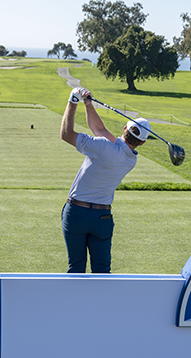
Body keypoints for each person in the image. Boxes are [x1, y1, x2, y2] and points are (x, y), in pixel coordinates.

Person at [60, 87, 150, 273]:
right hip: (102, 218)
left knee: (75, 268)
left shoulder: (102, 146)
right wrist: (88, 104)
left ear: (124, 128)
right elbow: (99, 129)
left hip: (76, 212)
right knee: (102, 271)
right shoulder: (130, 159)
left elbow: (67, 134)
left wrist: (73, 100)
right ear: (142, 142)